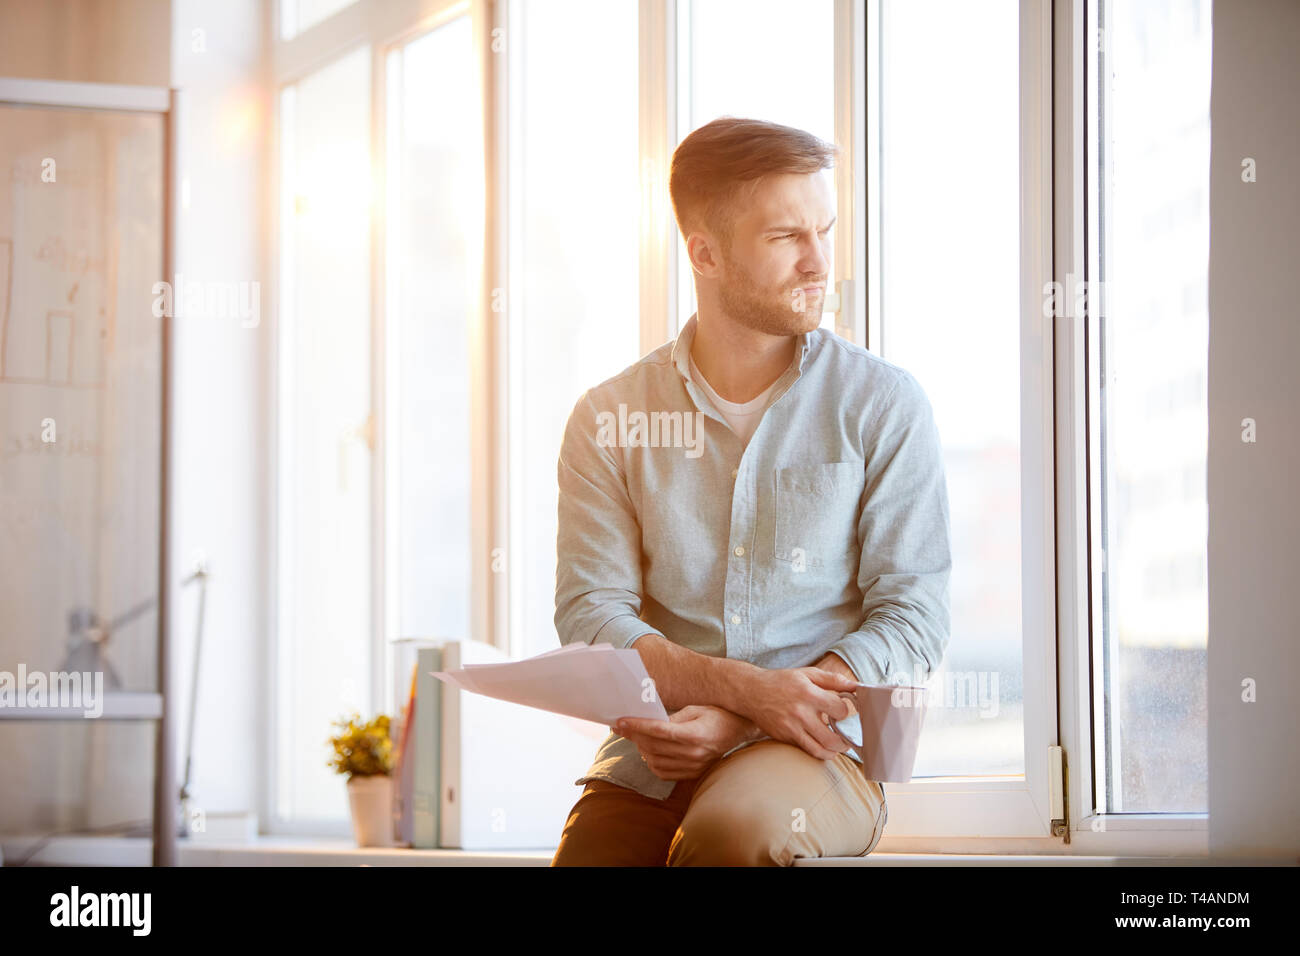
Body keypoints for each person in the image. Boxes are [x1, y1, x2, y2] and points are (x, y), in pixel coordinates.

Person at [549, 116, 952, 866]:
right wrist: (735, 687)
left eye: (824, 231)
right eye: (785, 238)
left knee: (730, 836)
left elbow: (915, 614)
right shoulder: (609, 418)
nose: (818, 262)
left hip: (825, 753)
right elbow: (588, 612)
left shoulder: (884, 404)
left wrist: (742, 716)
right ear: (703, 253)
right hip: (654, 756)